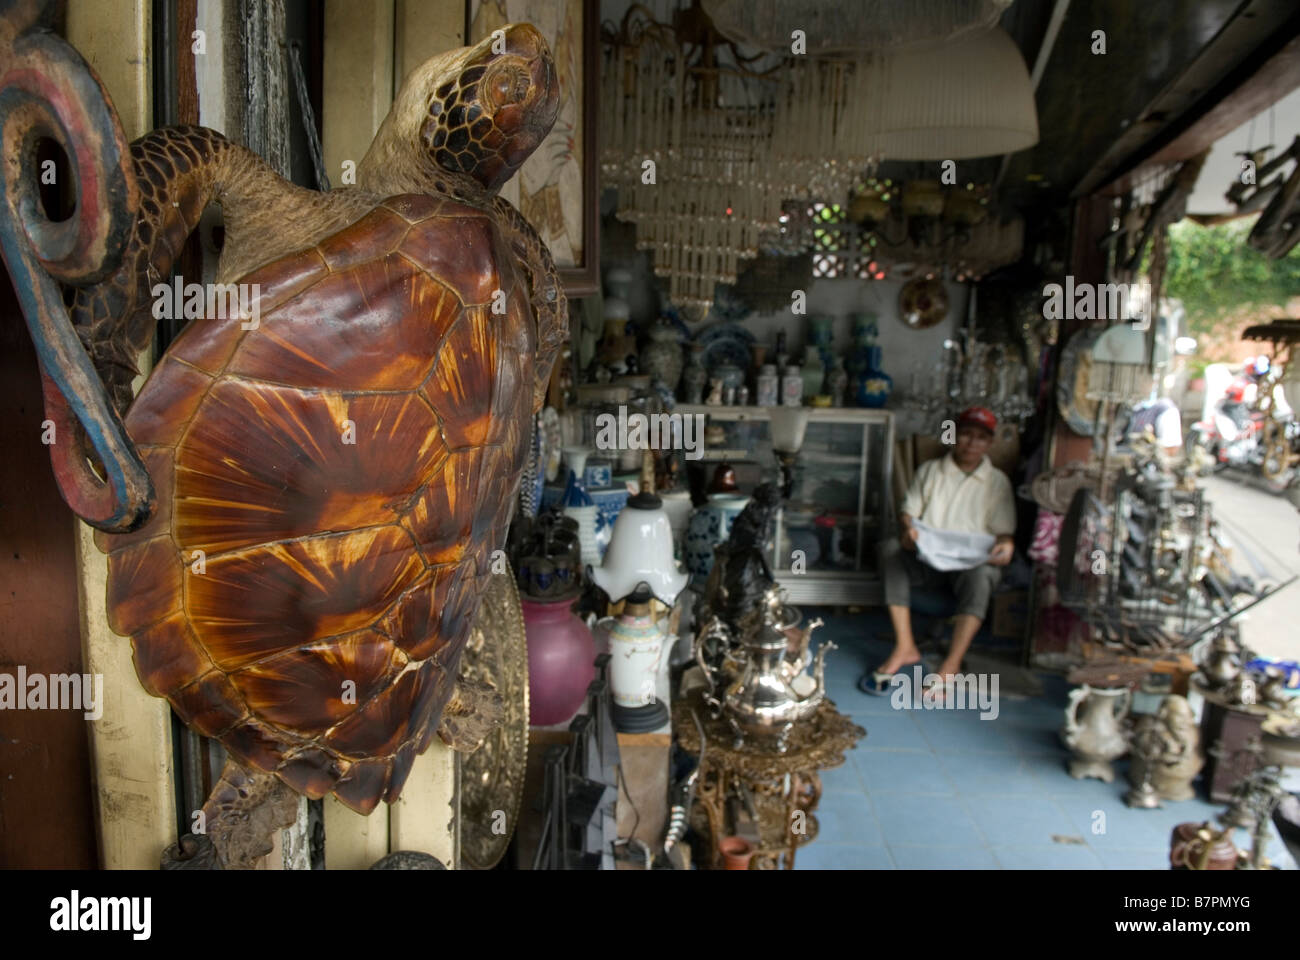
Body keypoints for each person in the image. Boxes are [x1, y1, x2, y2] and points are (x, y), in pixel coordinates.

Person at [859, 406, 1016, 696]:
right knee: (890, 549)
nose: (971, 443)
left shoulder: (997, 483)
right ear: (954, 436)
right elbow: (909, 513)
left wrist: (1006, 544)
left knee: (984, 574)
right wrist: (908, 530)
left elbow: (1004, 531)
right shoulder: (931, 471)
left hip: (968, 568)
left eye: (980, 438)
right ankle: (905, 646)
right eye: (966, 434)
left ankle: (951, 664)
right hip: (927, 562)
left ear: (989, 444)